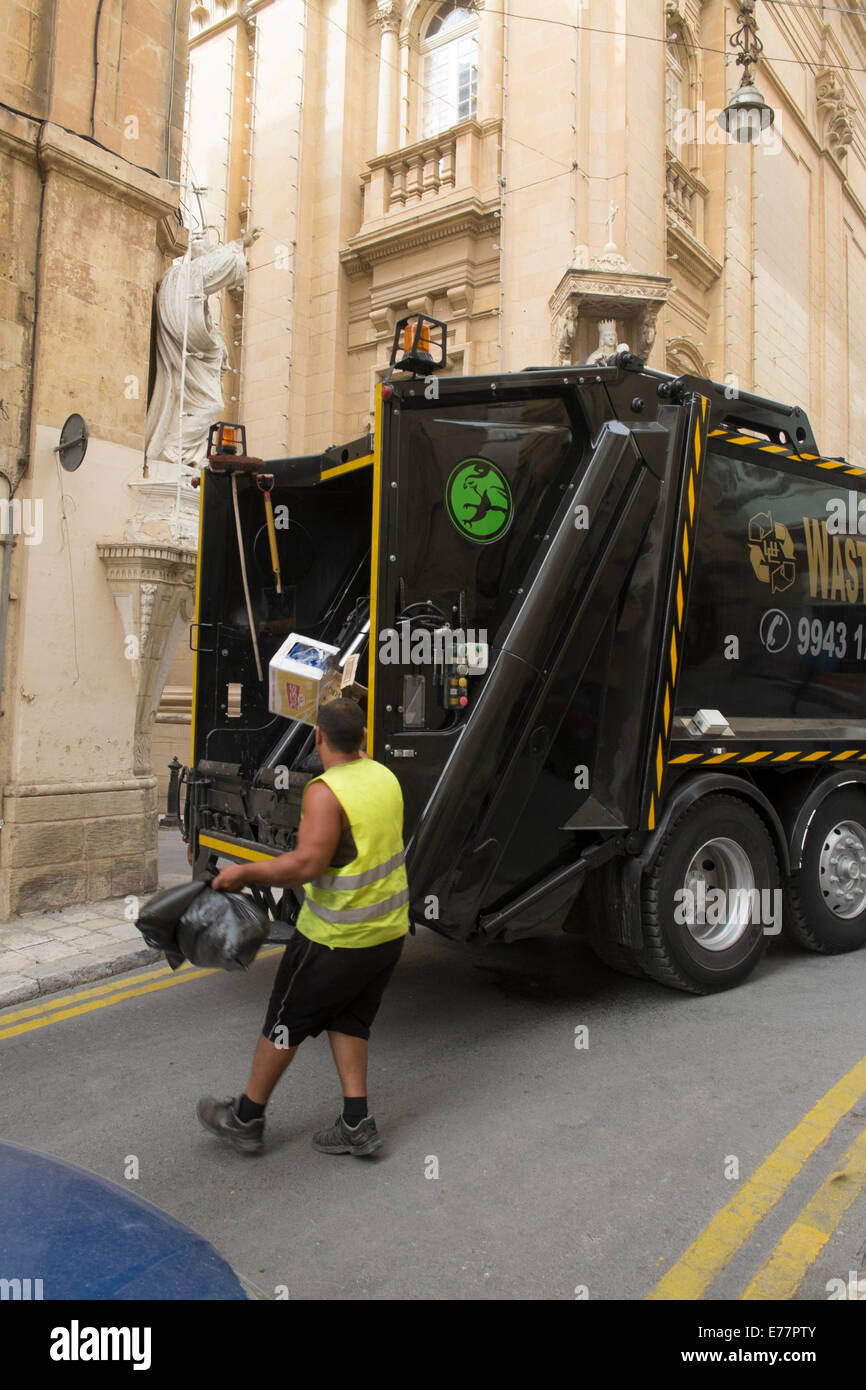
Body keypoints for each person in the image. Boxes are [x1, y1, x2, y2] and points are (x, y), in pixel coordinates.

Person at [196, 698, 409, 1157]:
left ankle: (246, 1118)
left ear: (317, 737)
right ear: (365, 739)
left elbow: (308, 864)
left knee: (283, 1022)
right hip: (386, 935)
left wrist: (243, 873)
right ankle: (356, 1122)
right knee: (348, 1016)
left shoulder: (325, 791)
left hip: (334, 938)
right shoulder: (385, 778)